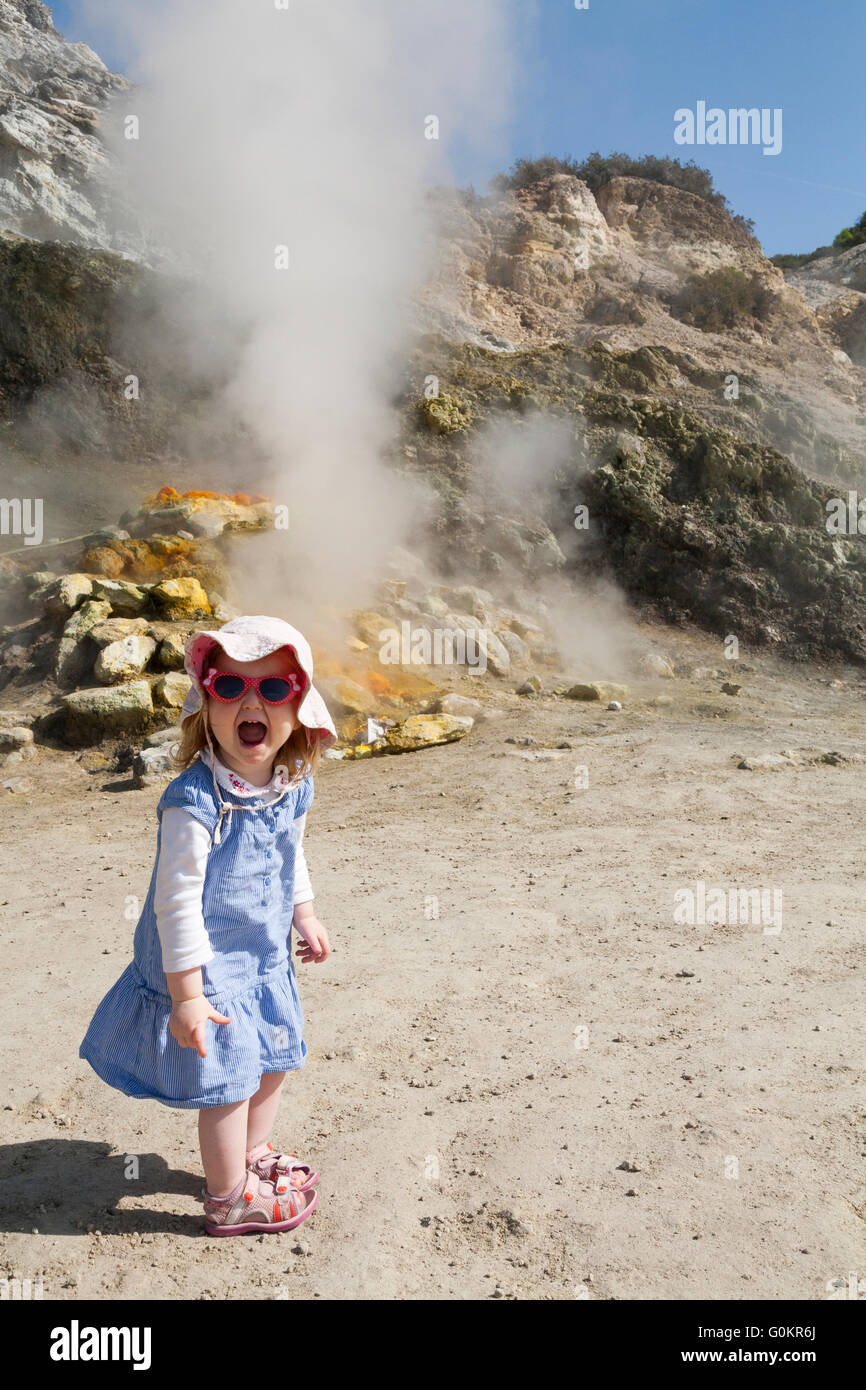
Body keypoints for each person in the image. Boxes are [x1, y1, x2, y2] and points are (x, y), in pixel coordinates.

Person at [79, 614, 337, 1236]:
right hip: (205, 971)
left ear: (297, 708)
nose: (253, 702)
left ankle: (250, 1156)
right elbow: (176, 902)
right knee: (225, 1084)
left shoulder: (290, 785)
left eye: (273, 690)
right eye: (231, 688)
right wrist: (187, 995)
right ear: (206, 705)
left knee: (274, 1057)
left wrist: (303, 912)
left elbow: (288, 855)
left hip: (262, 955)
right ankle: (228, 1199)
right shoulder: (194, 802)